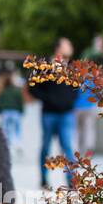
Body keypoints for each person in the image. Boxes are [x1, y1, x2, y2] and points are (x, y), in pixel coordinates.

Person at [27, 37, 77, 188]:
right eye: (67, 44)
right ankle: (43, 180)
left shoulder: (72, 68)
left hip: (66, 114)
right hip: (49, 114)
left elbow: (77, 88)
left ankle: (71, 182)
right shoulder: (46, 67)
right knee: (46, 148)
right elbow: (32, 87)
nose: (70, 47)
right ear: (58, 48)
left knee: (67, 147)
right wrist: (47, 99)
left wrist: (70, 100)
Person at [0, 70, 24, 158]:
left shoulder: (2, 91)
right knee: (17, 129)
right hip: (15, 112)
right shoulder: (17, 91)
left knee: (6, 130)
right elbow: (20, 102)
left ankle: (7, 146)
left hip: (6, 112)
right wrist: (21, 110)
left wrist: (0, 111)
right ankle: (18, 144)